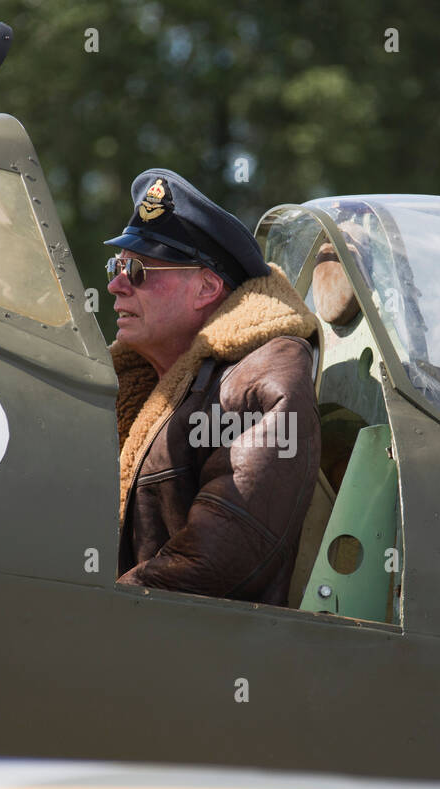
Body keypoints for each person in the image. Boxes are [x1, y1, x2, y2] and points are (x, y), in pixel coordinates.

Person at [106, 169, 321, 606]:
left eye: (138, 270)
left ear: (206, 287)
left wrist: (96, 606)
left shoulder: (263, 377)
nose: (115, 284)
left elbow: (221, 555)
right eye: (116, 265)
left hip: (206, 658)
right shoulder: (142, 382)